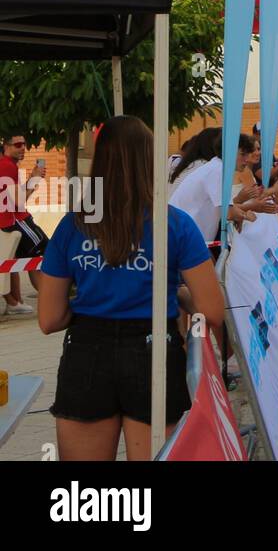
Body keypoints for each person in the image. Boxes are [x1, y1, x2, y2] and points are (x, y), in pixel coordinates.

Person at [36, 116, 226, 460]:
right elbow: (212, 311)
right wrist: (177, 293)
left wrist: (90, 297)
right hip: (154, 351)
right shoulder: (175, 223)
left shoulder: (72, 226)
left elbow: (49, 319)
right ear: (149, 161)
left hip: (86, 353)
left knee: (85, 502)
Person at [1, 133, 47, 315]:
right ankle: (51, 298)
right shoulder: (7, 166)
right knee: (44, 254)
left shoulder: (7, 165)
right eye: (17, 144)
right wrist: (34, 179)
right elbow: (19, 202)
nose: (22, 148)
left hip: (9, 221)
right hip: (15, 220)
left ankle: (15, 302)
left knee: (15, 260)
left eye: (24, 144)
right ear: (6, 146)